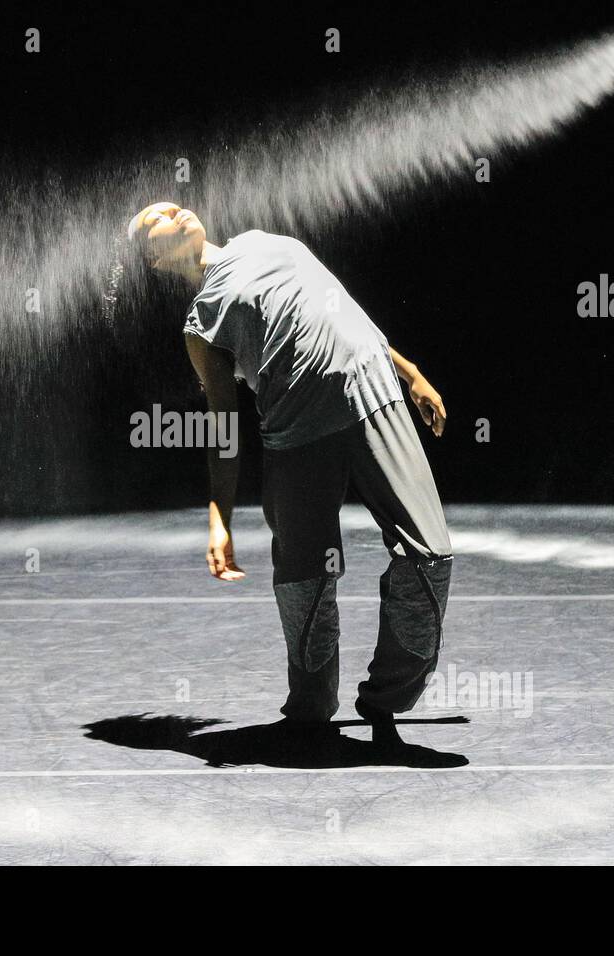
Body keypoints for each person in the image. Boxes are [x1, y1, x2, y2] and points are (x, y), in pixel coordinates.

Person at [126, 201, 454, 746]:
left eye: (173, 203)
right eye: (154, 219)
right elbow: (223, 423)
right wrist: (219, 517)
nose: (173, 210)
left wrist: (410, 371)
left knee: (430, 557)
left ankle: (385, 699)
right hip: (297, 439)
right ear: (156, 261)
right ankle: (310, 707)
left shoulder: (262, 241)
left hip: (375, 398)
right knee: (305, 581)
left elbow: (344, 308)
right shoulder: (201, 323)